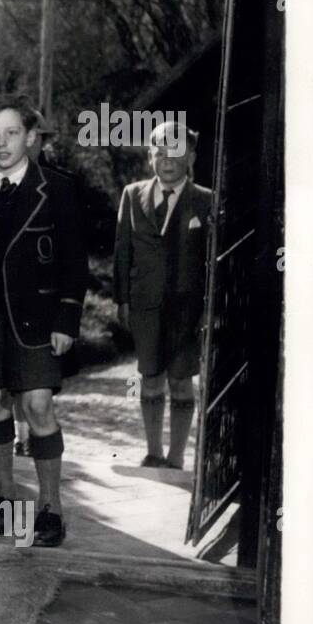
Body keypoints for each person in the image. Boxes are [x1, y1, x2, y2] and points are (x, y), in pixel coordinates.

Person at [0, 94, 87, 547]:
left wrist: (67, 320)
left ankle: (50, 507)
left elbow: (75, 260)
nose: (2, 143)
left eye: (11, 133)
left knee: (37, 407)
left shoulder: (57, 188)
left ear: (30, 137)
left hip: (38, 318)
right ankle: (4, 498)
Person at [113, 121, 211, 469]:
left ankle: (176, 455)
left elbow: (212, 262)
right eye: (159, 152)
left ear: (191, 156)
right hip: (146, 305)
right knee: (150, 379)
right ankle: (153, 451)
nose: (167, 160)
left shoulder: (204, 201)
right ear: (150, 157)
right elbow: (123, 251)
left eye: (176, 152)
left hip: (188, 309)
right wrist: (122, 299)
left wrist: (210, 310)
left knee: (182, 383)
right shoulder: (133, 194)